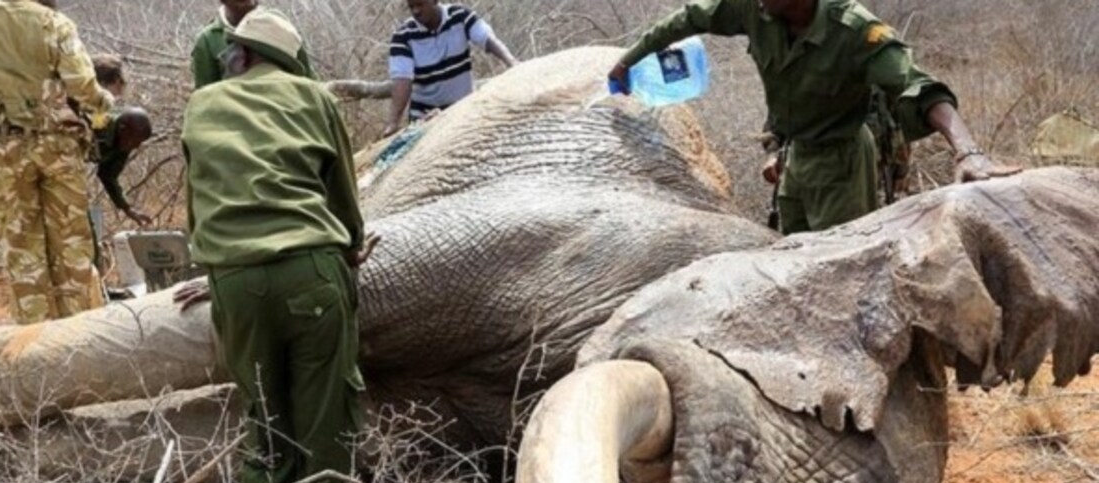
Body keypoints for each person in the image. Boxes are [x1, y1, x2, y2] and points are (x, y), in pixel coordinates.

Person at [175, 8, 379, 483]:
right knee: (325, 424)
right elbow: (343, 197)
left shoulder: (201, 105)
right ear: (289, 61)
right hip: (311, 273)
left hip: (233, 284)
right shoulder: (313, 97)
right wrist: (348, 249)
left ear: (236, 55)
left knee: (264, 428)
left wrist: (221, 268)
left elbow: (199, 206)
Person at [609, 0, 1021, 235]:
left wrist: (968, 152)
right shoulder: (756, 9)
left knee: (844, 263)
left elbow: (920, 86)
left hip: (842, 161)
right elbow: (688, 19)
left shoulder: (855, 30)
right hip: (796, 158)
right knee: (793, 254)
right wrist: (629, 60)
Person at [0, 0, 113, 324]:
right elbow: (82, 83)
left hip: (3, 149)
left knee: (22, 249)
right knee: (72, 244)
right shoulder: (54, 22)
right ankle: (84, 336)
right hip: (58, 146)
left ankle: (37, 345)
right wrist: (102, 105)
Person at [383, 0, 518, 137]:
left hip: (463, 110)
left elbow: (488, 39)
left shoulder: (460, 16)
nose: (416, 11)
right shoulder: (402, 36)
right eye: (411, 6)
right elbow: (402, 80)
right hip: (426, 117)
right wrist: (393, 122)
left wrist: (512, 62)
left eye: (420, 4)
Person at [190, 0, 317, 89]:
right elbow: (206, 95)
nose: (249, 2)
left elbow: (307, 78)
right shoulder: (209, 39)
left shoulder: (279, 25)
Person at [89, 54, 153, 226]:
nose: (133, 146)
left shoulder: (123, 142)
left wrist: (126, 208)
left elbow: (107, 175)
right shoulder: (98, 120)